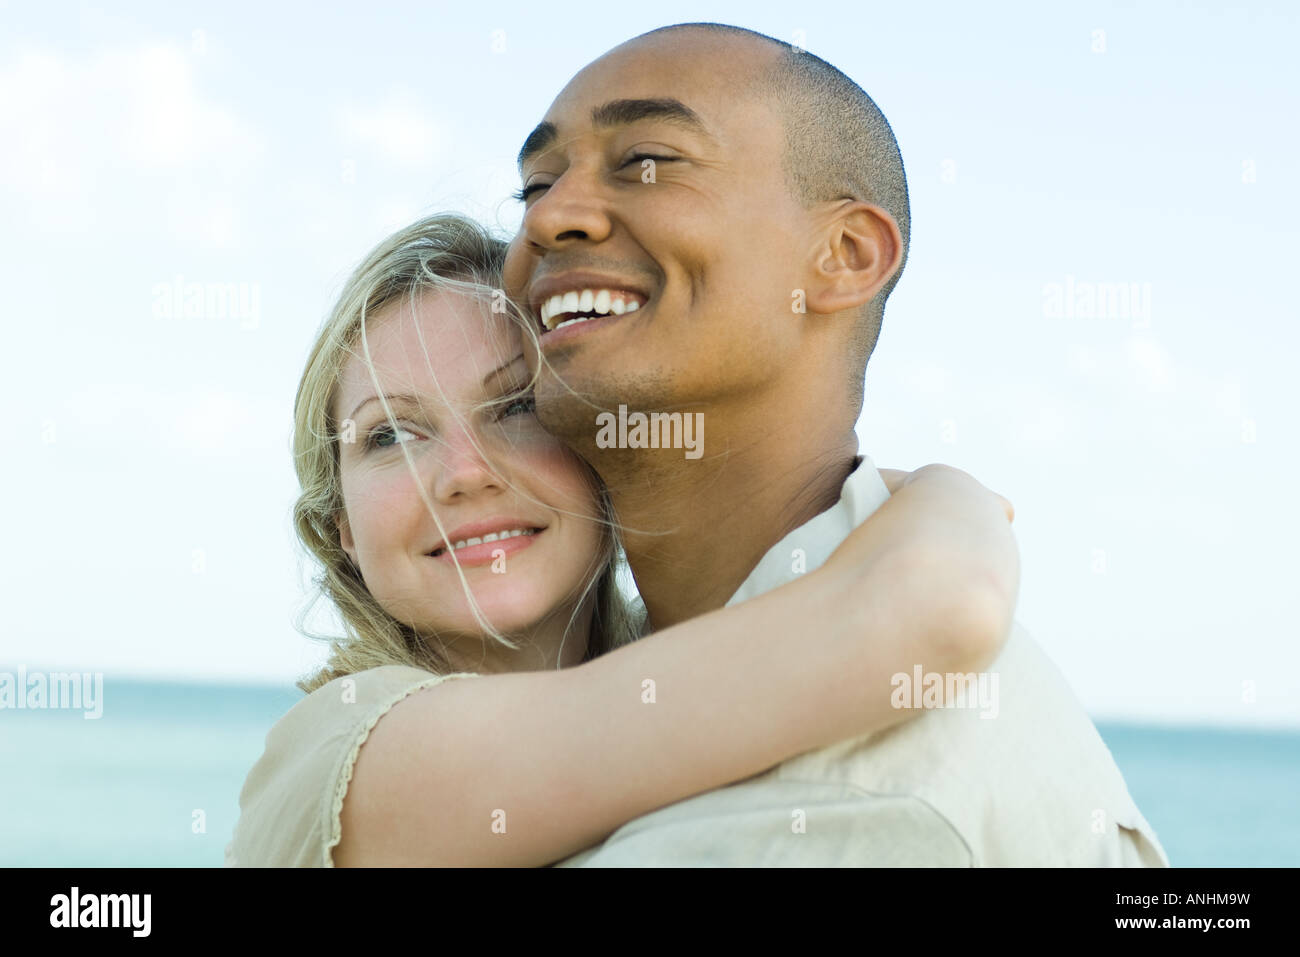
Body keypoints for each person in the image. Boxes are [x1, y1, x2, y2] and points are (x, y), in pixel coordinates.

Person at [500, 22, 1171, 865]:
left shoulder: (859, 805)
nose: (549, 218)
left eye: (648, 161)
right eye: (534, 185)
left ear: (845, 256)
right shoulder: (619, 655)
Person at [225, 212, 1020, 867]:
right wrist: (950, 494)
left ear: (607, 450)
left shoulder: (697, 643)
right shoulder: (337, 754)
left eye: (516, 407)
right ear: (344, 533)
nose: (462, 473)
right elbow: (936, 608)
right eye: (392, 435)